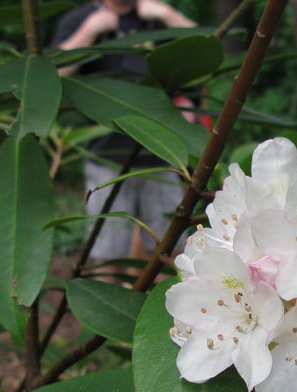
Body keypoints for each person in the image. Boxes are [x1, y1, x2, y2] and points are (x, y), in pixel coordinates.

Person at [52, 0, 196, 264]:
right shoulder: (82, 19)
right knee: (108, 254)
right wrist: (89, 32)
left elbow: (208, 48)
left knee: (173, 248)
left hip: (162, 154)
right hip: (105, 156)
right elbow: (51, 74)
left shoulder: (156, 17)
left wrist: (168, 15)